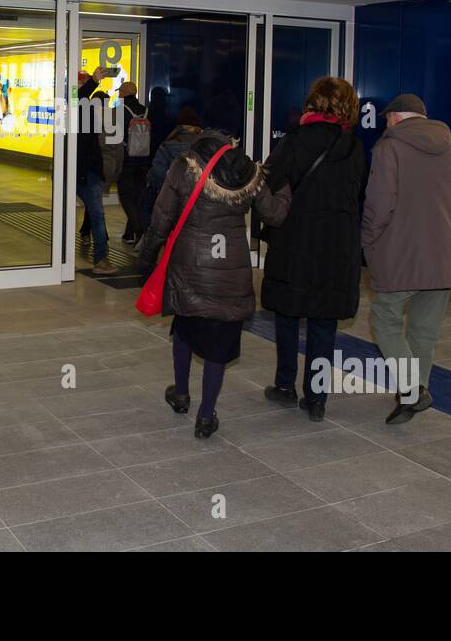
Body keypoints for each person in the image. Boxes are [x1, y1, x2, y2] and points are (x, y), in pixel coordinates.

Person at [139, 131, 292, 439]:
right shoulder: (249, 171)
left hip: (191, 263)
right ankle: (206, 416)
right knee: (219, 342)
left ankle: (181, 394)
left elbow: (162, 215)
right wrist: (286, 190)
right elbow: (274, 214)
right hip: (231, 269)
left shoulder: (184, 166)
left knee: (185, 325)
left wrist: (147, 252)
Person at [260, 77, 368, 422]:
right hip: (337, 246)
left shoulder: (294, 141)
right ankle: (317, 398)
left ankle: (284, 385)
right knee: (324, 323)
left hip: (296, 242)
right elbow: (359, 194)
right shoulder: (355, 148)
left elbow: (268, 182)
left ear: (313, 103)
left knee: (289, 315)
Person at [362, 93, 451, 424]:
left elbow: (379, 205)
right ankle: (415, 390)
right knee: (425, 329)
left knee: (385, 319)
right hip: (443, 254)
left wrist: (365, 240)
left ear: (395, 117)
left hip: (401, 254)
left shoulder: (388, 149)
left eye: (386, 119)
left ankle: (411, 388)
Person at [76, 67, 114, 274]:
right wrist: (93, 81)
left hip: (88, 169)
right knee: (94, 215)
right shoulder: (71, 103)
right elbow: (76, 97)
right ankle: (60, 258)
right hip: (75, 168)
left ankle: (101, 258)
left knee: (97, 215)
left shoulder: (88, 107)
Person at [141, 106, 202, 231]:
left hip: (171, 203)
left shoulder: (167, 145)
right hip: (199, 203)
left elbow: (157, 173)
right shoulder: (204, 145)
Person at [117, 81, 149, 245]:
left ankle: (138, 230)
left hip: (127, 159)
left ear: (123, 93)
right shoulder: (145, 110)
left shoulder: (120, 111)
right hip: (144, 159)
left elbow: (115, 136)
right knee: (137, 195)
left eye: (119, 91)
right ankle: (129, 234)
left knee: (126, 196)